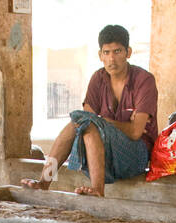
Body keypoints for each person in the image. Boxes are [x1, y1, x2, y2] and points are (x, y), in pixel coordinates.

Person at [20, 25, 158, 196]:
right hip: (105, 153)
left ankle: (98, 190)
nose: (111, 59)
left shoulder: (144, 80)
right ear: (100, 55)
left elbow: (136, 132)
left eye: (117, 51)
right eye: (106, 52)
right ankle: (43, 182)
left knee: (87, 123)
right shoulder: (98, 79)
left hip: (136, 156)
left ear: (128, 52)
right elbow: (86, 121)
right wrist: (109, 124)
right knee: (78, 123)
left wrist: (105, 121)